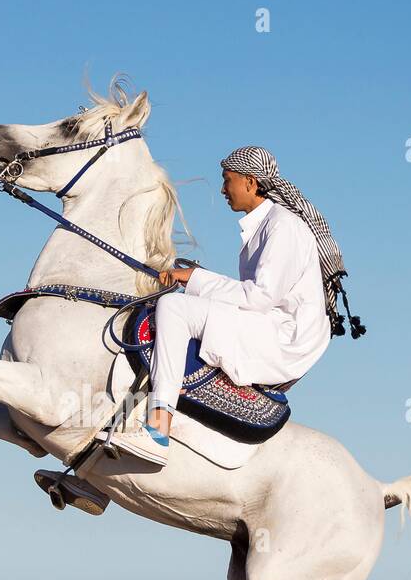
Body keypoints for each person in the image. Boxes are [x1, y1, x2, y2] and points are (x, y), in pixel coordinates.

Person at [107, 146, 345, 466]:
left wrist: (195, 278)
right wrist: (197, 281)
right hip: (271, 325)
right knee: (181, 303)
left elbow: (259, 297)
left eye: (227, 180)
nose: (222, 189)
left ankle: (159, 427)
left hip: (282, 337)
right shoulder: (265, 225)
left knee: (175, 309)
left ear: (250, 182)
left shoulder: (283, 226)